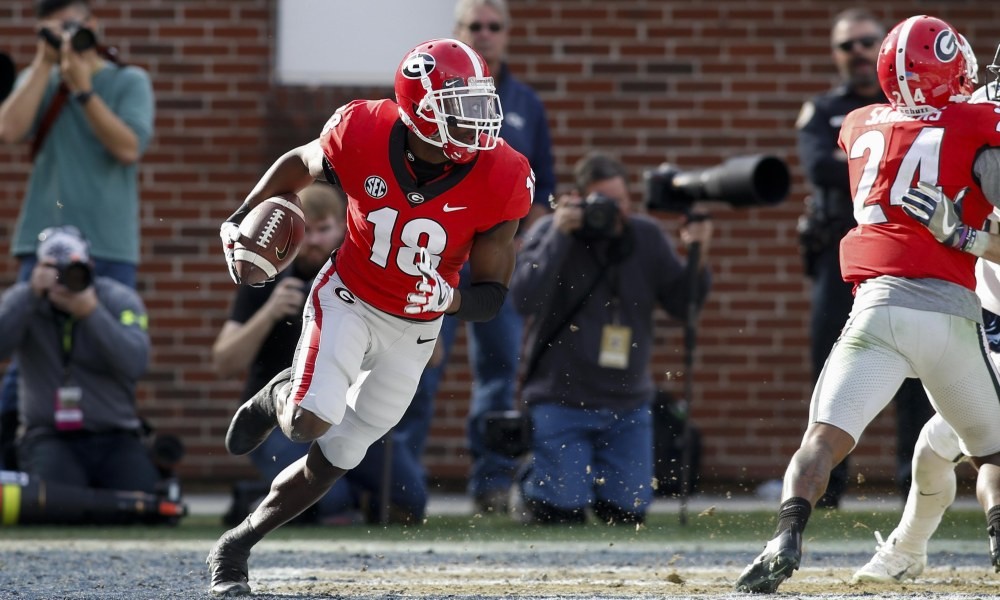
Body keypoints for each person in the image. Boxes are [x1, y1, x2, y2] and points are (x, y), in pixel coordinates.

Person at [206, 38, 533, 596]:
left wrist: (450, 299)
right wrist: (243, 214)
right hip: (349, 298)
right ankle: (277, 394)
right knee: (309, 421)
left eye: (483, 104)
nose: (480, 121)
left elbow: (491, 297)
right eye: (463, 107)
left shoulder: (503, 174)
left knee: (340, 454)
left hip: (417, 328)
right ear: (421, 110)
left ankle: (237, 543)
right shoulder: (362, 131)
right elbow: (300, 164)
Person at [735, 15, 1000, 593]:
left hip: (876, 308)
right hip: (951, 313)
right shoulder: (978, 124)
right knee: (992, 455)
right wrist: (963, 234)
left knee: (821, 441)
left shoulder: (858, 122)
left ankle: (785, 536)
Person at [394, 0, 556, 516]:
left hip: (493, 253)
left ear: (506, 34)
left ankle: (491, 482)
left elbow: (541, 191)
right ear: (457, 31)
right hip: (433, 253)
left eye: (493, 26)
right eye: (474, 25)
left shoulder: (526, 102)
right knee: (417, 365)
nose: (484, 33)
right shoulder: (429, 93)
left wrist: (521, 243)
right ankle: (400, 480)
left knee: (499, 371)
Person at [852, 61, 1000, 584]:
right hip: (990, 321)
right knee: (938, 447)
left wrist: (962, 236)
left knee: (949, 444)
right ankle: (908, 548)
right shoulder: (972, 120)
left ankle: (908, 547)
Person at [507, 152, 712, 525]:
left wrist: (697, 253)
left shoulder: (645, 236)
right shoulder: (552, 230)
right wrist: (558, 235)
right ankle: (529, 482)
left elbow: (685, 306)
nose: (614, 212)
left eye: (621, 201)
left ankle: (576, 478)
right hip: (560, 397)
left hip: (627, 402)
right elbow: (523, 298)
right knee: (561, 510)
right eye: (603, 201)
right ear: (579, 198)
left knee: (627, 512)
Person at [212, 182, 429, 525]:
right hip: (289, 419)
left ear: (344, 227)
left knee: (410, 499)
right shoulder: (267, 276)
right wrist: (269, 313)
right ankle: (321, 495)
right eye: (305, 231)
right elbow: (224, 361)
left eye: (323, 230)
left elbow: (430, 353)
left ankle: (322, 497)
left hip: (348, 410)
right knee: (328, 498)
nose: (312, 241)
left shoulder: (364, 275)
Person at [0, 0, 155, 469]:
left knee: (110, 348)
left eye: (73, 26)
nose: (67, 36)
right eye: (54, 30)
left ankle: (106, 457)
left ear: (92, 25)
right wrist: (43, 63)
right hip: (43, 243)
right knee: (27, 360)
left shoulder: (128, 80)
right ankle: (14, 466)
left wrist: (83, 88)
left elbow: (128, 147)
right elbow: (9, 130)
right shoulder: (41, 81)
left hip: (108, 243)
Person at [795, 7, 933, 507]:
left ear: (882, 49)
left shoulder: (911, 105)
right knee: (833, 366)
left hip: (904, 255)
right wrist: (892, 163)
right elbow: (820, 168)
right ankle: (826, 488)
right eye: (845, 45)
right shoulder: (823, 109)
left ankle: (913, 484)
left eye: (866, 43)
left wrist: (858, 160)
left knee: (917, 368)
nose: (856, 52)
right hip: (841, 259)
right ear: (835, 54)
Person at [0, 226, 159, 495]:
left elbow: (135, 363)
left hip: (115, 435)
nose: (63, 278)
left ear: (90, 266)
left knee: (141, 500)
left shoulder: (118, 299)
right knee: (57, 501)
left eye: (74, 269)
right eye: (52, 268)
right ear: (38, 268)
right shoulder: (24, 301)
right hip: (48, 435)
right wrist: (30, 295)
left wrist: (91, 312)